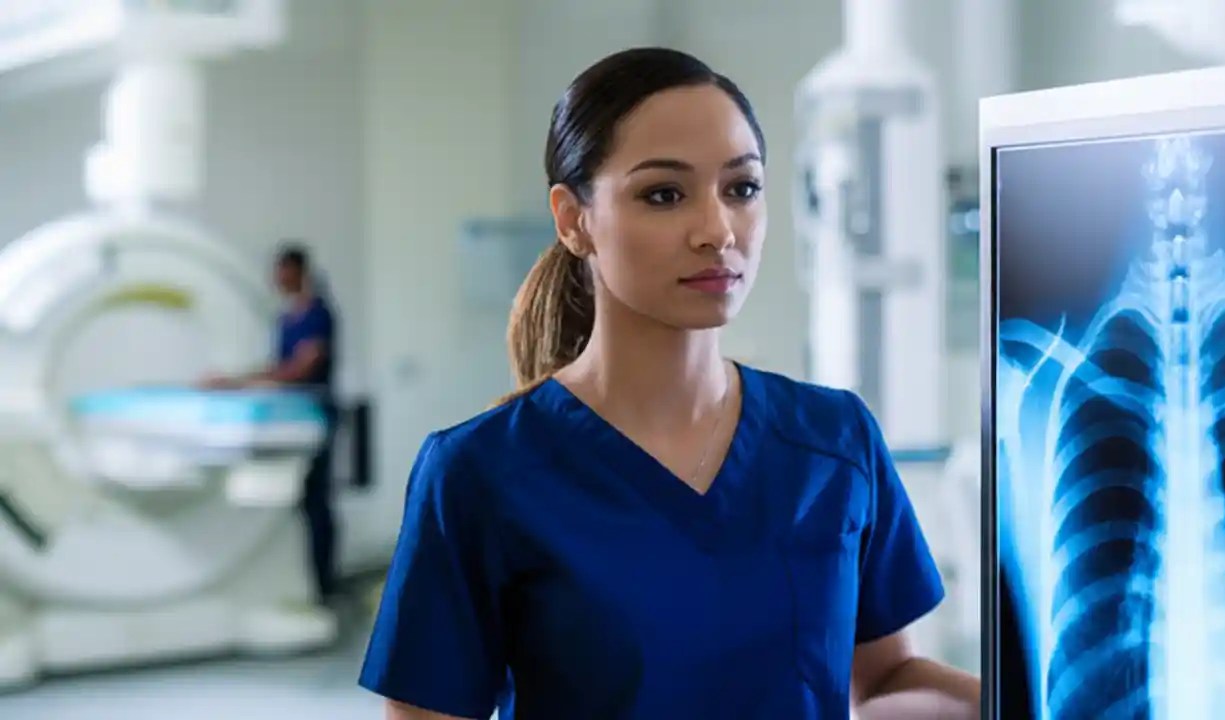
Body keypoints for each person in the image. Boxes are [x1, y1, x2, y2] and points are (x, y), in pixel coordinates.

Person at [359, 47, 980, 720]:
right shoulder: (480, 473)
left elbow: (885, 679)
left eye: (741, 189)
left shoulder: (833, 441)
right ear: (573, 219)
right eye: (664, 195)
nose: (717, 230)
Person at [203, 243, 341, 605]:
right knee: (292, 505)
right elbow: (275, 366)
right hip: (286, 418)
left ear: (300, 273)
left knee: (316, 503)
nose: (277, 279)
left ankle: (323, 587)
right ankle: (298, 583)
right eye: (276, 273)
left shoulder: (318, 315)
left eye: (284, 272)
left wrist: (239, 385)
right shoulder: (286, 318)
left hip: (312, 417)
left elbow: (300, 369)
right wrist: (231, 381)